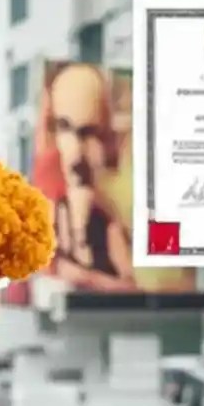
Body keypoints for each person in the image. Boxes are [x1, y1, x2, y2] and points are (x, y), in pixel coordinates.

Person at [37, 63, 136, 291]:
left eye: (88, 132)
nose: (76, 148)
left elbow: (132, 290)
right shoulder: (50, 210)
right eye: (64, 128)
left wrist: (85, 278)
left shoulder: (107, 221)